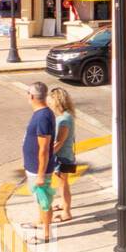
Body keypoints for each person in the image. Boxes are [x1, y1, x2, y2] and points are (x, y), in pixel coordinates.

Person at [21, 82, 59, 245]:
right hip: (34, 167)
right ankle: (40, 222)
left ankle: (46, 234)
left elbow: (44, 148)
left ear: (31, 96)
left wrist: (41, 174)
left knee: (44, 202)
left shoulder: (43, 116)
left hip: (39, 169)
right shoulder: (41, 113)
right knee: (39, 200)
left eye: (27, 92)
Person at [48, 86, 81, 222]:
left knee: (63, 184)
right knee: (62, 183)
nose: (49, 104)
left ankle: (67, 212)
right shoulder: (66, 116)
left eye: (50, 101)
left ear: (56, 101)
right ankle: (63, 204)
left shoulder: (63, 120)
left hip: (62, 157)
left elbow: (59, 142)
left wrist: (47, 155)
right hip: (65, 155)